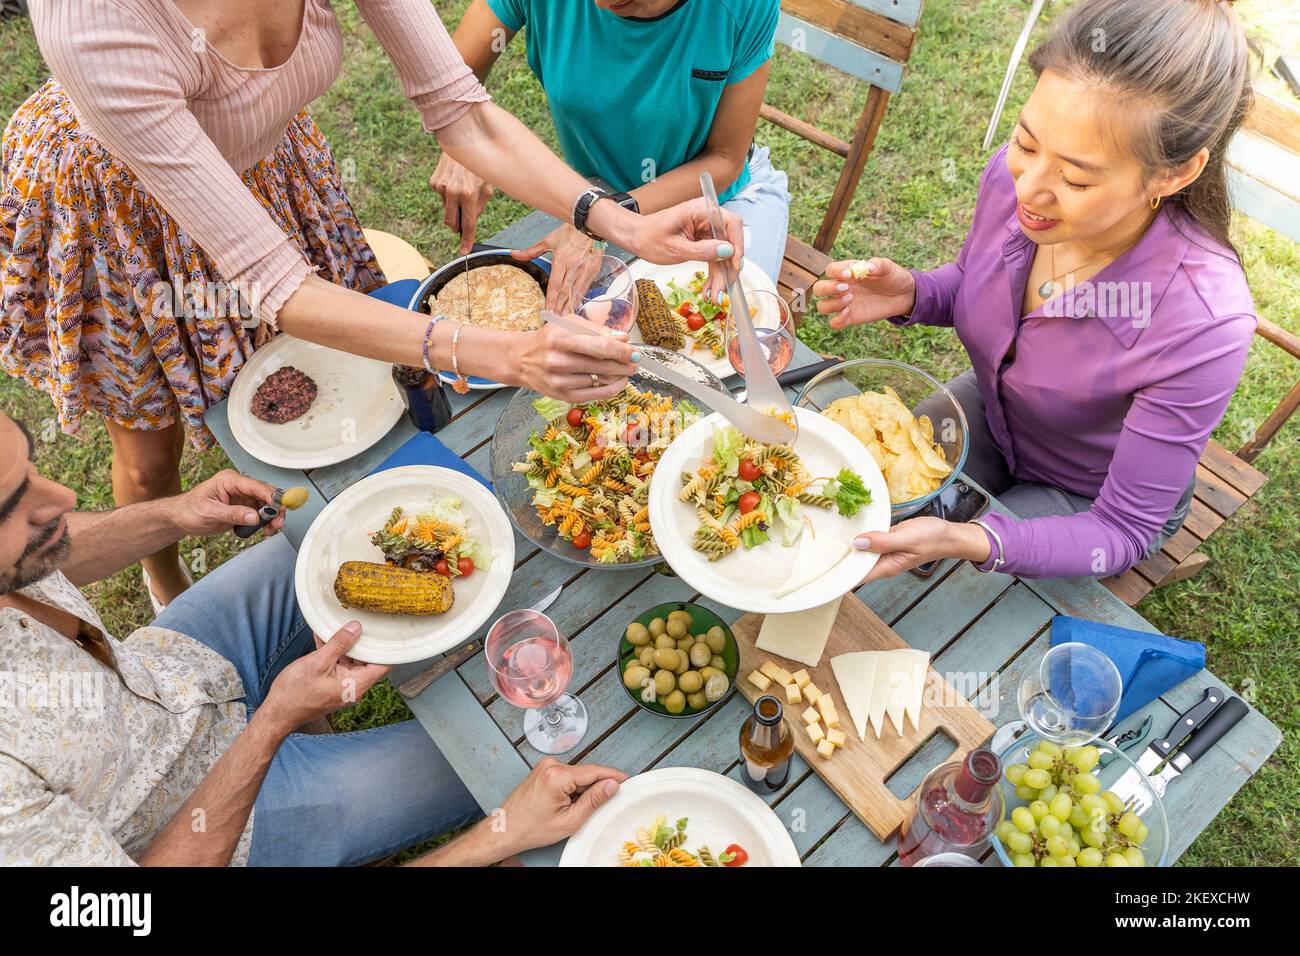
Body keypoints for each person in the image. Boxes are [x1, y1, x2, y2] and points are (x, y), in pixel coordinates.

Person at [1, 0, 742, 609]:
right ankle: (163, 576)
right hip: (120, 202)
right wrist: (506, 353)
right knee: (148, 438)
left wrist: (619, 221)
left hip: (267, 154)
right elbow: (280, 285)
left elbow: (465, 111)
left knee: (315, 373)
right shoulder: (94, 21)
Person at [0, 411, 627, 866]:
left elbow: (44, 552)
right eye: (13, 506)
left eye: (32, 470)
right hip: (209, 829)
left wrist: (175, 513)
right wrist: (274, 722)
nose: (63, 497)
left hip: (175, 668)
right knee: (518, 755)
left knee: (324, 535)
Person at [815, 0, 1256, 581]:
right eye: (1025, 143)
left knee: (947, 586)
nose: (1029, 188)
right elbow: (979, 288)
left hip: (1087, 495)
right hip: (993, 414)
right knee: (855, 498)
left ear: (1173, 175)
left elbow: (1122, 527)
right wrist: (917, 293)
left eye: (1075, 177)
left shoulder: (1205, 321)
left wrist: (974, 540)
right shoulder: (1012, 177)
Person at [430, 0, 791, 305]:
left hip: (715, 202)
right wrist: (462, 136)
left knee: (718, 337)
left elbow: (724, 159)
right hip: (591, 194)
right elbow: (448, 84)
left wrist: (603, 218)